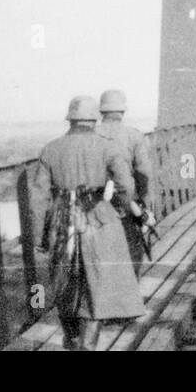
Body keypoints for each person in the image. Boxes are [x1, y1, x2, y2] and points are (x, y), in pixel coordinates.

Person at [28, 95, 146, 351]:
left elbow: (38, 198)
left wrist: (39, 237)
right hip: (97, 218)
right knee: (98, 283)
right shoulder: (107, 147)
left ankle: (70, 337)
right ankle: (88, 345)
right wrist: (128, 210)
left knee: (64, 281)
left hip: (62, 221)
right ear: (94, 119)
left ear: (69, 119)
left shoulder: (50, 149)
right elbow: (126, 186)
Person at [95, 88, 157, 276]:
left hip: (95, 201)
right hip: (125, 200)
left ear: (101, 112)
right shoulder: (133, 135)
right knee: (132, 248)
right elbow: (144, 173)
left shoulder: (91, 135)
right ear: (122, 112)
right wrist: (145, 206)